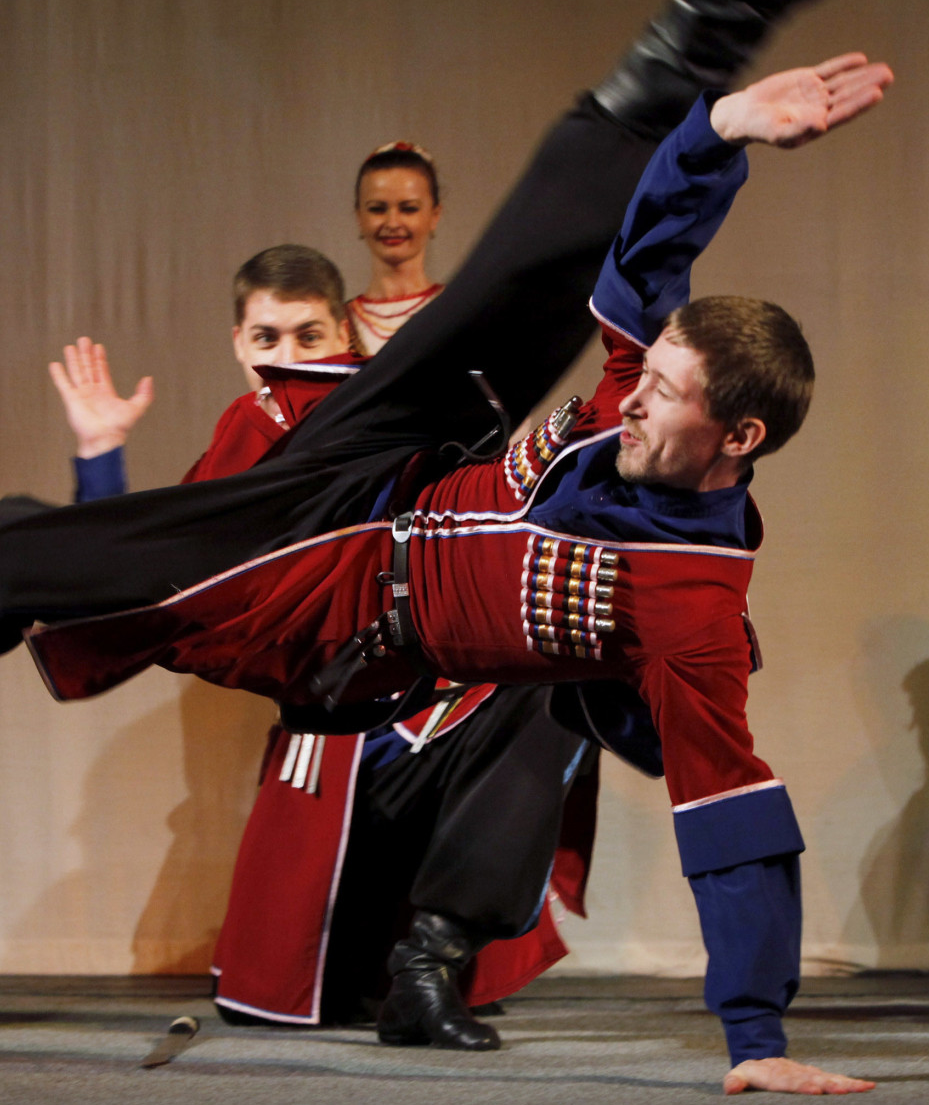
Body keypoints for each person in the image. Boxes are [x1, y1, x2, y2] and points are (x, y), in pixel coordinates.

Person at [0, 0, 909, 1089]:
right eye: (654, 374)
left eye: (671, 396)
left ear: (736, 440)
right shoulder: (640, 395)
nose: (634, 400)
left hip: (347, 602)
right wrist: (726, 128)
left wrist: (758, 1039)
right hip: (405, 458)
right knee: (538, 272)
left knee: (165, 567)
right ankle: (719, 8)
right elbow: (642, 258)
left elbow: (732, 814)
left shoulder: (693, 613)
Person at [52, 247, 598, 1049]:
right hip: (341, 746)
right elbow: (145, 580)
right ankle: (394, 957)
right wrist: (100, 457)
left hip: (430, 721)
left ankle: (431, 957)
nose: (288, 360)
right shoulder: (248, 432)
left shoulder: (401, 422)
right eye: (267, 339)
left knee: (551, 682)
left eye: (309, 337)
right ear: (239, 344)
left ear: (344, 334)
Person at [348, 142, 445, 355]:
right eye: (377, 209)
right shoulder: (338, 325)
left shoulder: (459, 310)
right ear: (359, 217)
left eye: (408, 209)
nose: (392, 223)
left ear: (434, 215)